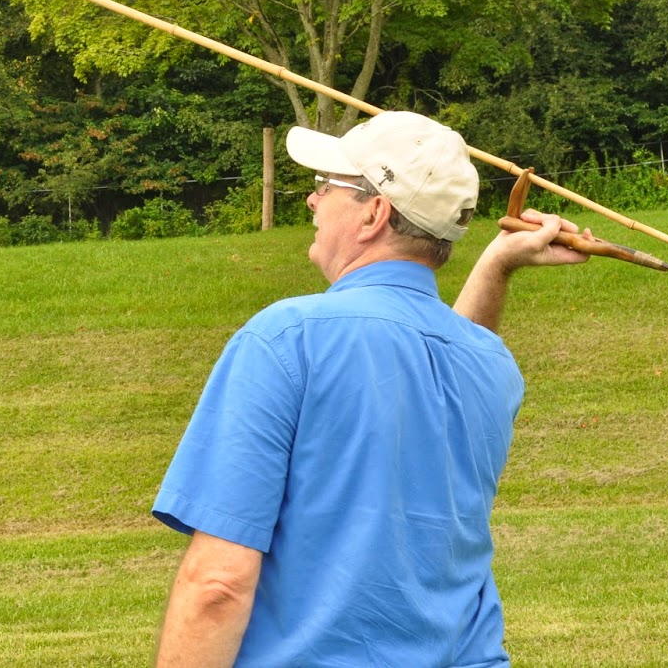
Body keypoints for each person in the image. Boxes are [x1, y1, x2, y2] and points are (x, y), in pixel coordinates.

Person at [151, 110, 590, 667]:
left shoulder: (285, 340)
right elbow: (441, 354)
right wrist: (497, 264)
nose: (312, 200)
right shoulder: (490, 364)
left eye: (326, 186)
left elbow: (218, 584)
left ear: (374, 213)